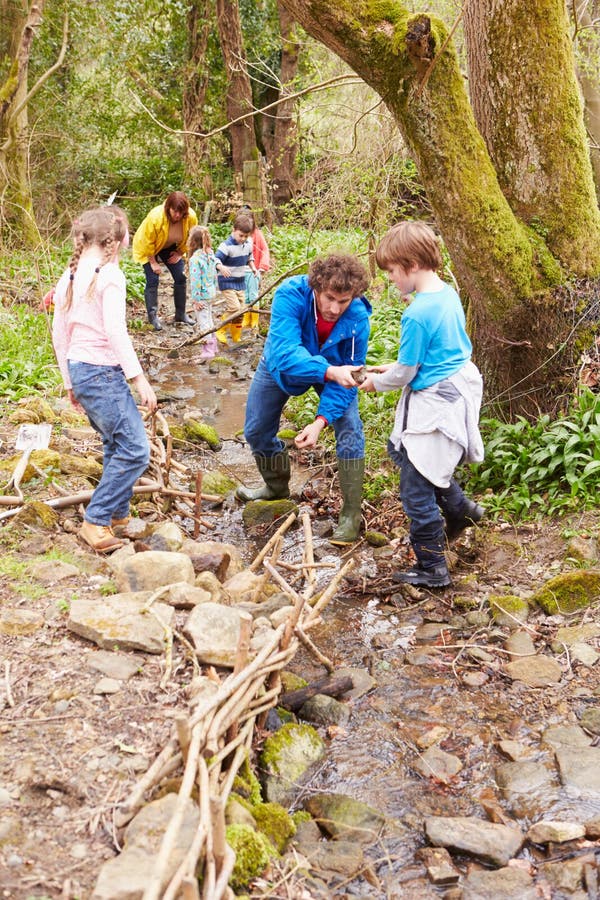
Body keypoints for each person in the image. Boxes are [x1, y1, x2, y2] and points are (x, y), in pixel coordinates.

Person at [357, 221, 484, 587]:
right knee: (426, 466)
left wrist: (375, 382)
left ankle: (433, 568)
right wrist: (391, 368)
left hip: (435, 407)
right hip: (456, 392)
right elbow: (433, 356)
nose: (391, 280)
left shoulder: (416, 313)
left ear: (411, 264)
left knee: (415, 489)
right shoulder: (447, 294)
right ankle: (463, 510)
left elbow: (406, 374)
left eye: (393, 272)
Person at [236, 253, 371, 545]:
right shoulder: (290, 295)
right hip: (280, 367)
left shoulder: (358, 316)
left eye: (343, 301)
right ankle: (275, 487)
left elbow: (352, 376)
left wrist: (321, 421)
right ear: (316, 287)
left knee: (350, 428)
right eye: (329, 298)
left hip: (335, 372)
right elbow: (285, 355)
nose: (335, 308)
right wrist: (330, 371)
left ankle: (350, 514)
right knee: (256, 429)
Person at [52, 206, 157, 553]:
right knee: (136, 449)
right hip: (101, 372)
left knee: (116, 442)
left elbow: (59, 333)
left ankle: (117, 513)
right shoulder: (110, 276)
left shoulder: (70, 274)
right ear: (120, 240)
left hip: (83, 370)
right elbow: (116, 332)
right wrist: (139, 379)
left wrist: (69, 381)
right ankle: (96, 521)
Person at [132, 192, 198, 331]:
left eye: (181, 213)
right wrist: (153, 262)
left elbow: (192, 237)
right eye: (175, 211)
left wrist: (180, 253)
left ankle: (180, 314)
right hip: (149, 247)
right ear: (168, 207)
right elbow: (147, 241)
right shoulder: (156, 217)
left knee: (181, 276)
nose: (178, 215)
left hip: (170, 246)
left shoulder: (190, 216)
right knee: (153, 278)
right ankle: (153, 317)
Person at [214, 211, 258, 344]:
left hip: (240, 282)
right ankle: (220, 329)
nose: (243, 238)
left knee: (242, 310)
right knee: (235, 308)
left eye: (246, 236)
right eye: (241, 235)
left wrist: (253, 267)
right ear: (233, 230)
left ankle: (235, 335)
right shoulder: (226, 246)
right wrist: (221, 267)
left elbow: (249, 257)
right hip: (227, 282)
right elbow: (215, 259)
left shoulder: (247, 244)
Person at [188, 225, 218, 360]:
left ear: (192, 241)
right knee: (209, 319)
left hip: (202, 296)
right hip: (211, 293)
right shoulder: (210, 254)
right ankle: (214, 345)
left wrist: (196, 299)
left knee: (204, 322)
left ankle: (208, 350)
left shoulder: (195, 259)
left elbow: (195, 281)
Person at [241, 206, 271, 331]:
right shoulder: (238, 235)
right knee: (244, 296)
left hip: (254, 271)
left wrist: (263, 267)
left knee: (253, 295)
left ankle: (255, 320)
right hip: (242, 271)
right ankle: (246, 317)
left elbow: (264, 250)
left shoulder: (257, 234)